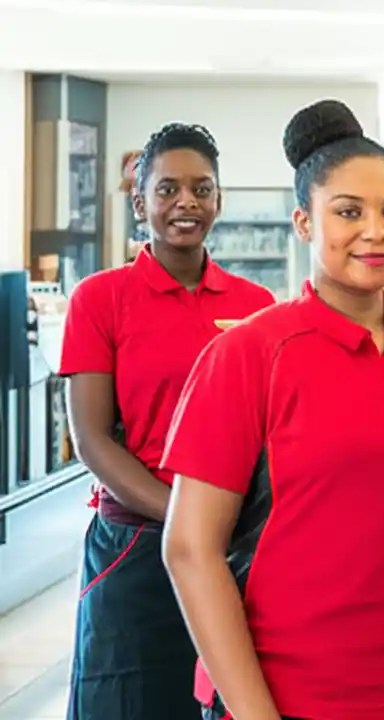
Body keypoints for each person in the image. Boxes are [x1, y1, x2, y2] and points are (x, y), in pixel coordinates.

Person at [159, 100, 384, 720]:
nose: (375, 230)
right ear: (304, 223)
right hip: (283, 697)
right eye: (347, 212)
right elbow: (189, 549)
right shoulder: (250, 354)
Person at [60, 123, 276, 720]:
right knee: (127, 698)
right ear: (140, 202)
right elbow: (93, 440)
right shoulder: (99, 299)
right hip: (135, 544)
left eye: (202, 189)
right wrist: (185, 518)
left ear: (219, 201)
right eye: (168, 190)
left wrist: (228, 530)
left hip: (233, 546)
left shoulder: (255, 308)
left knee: (228, 697)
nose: (187, 203)